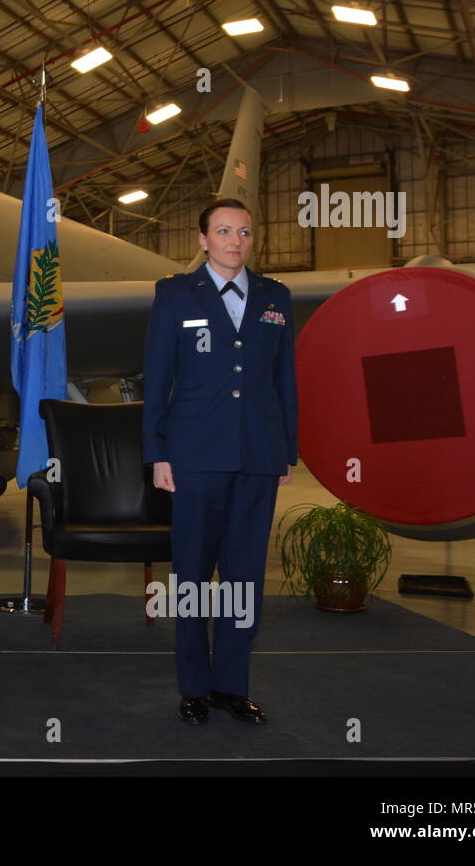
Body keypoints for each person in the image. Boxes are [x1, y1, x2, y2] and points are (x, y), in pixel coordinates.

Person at [141, 197, 297, 725]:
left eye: (244, 232)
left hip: (258, 455)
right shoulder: (175, 295)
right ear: (203, 240)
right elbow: (156, 379)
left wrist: (286, 449)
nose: (235, 241)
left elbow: (285, 383)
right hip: (194, 458)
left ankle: (231, 685)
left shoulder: (277, 298)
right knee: (191, 575)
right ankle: (193, 685)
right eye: (224, 231)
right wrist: (157, 451)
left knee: (244, 576)